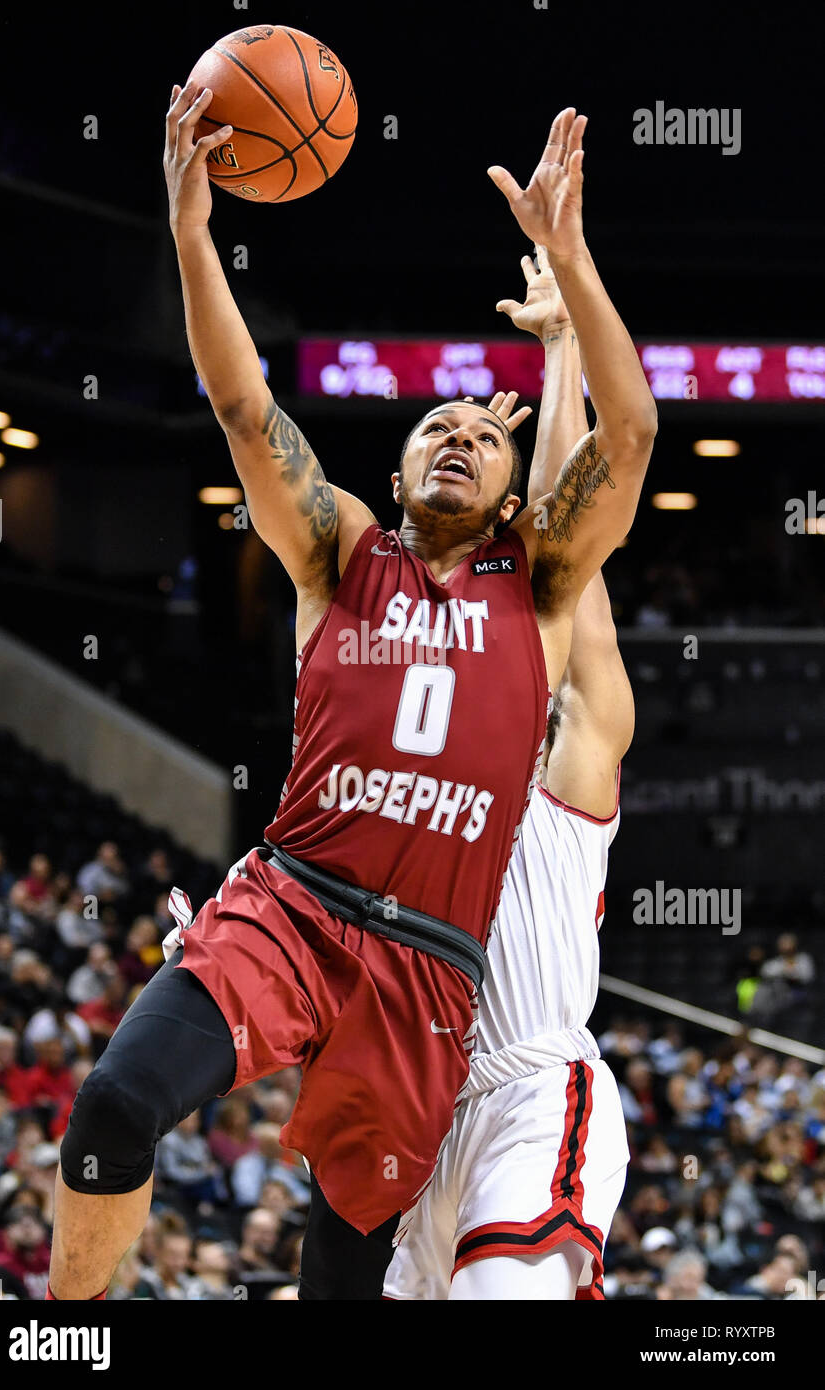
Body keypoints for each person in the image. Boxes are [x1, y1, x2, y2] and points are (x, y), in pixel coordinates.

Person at [49, 102, 656, 1301]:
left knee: (344, 1273)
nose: (457, 436)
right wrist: (188, 230)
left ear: (505, 503)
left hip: (426, 975)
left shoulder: (532, 597)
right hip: (295, 900)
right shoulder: (339, 554)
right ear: (388, 471)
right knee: (115, 1100)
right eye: (436, 422)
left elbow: (624, 441)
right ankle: (59, 1322)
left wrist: (572, 283)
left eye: (485, 437)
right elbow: (240, 406)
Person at [384, 251, 634, 1299]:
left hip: (536, 1094)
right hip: (417, 1128)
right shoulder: (404, 779)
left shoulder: (570, 758)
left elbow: (564, 549)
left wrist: (563, 349)